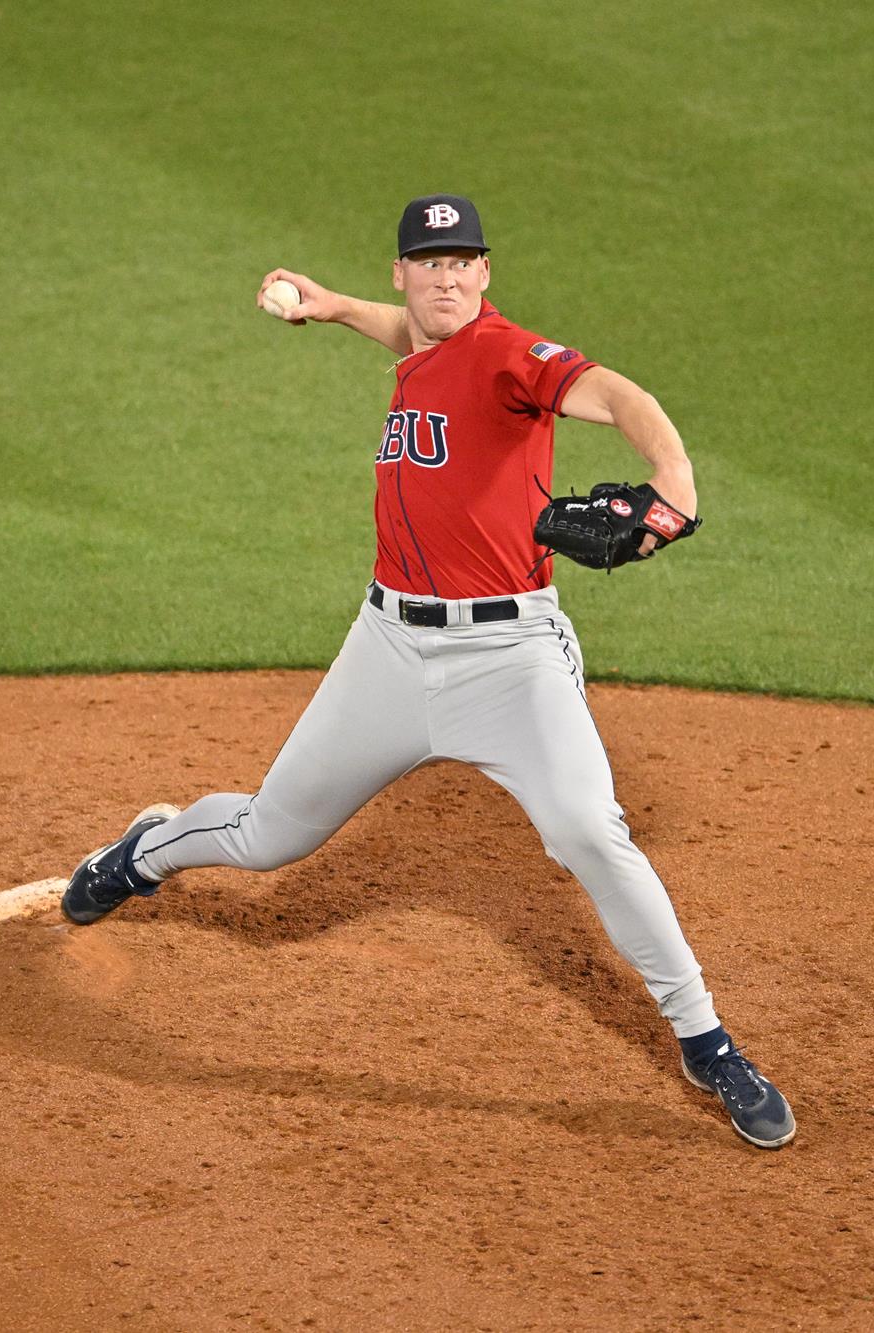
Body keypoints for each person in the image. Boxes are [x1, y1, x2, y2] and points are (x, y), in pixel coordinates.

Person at [62, 194, 794, 1149]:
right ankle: (142, 854)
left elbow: (620, 397)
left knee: (589, 830)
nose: (447, 278)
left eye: (462, 263)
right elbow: (409, 332)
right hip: (389, 649)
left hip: (509, 659)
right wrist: (335, 308)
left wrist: (675, 475)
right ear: (404, 271)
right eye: (429, 262)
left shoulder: (510, 356)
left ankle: (707, 1042)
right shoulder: (423, 338)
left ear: (485, 272)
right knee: (269, 835)